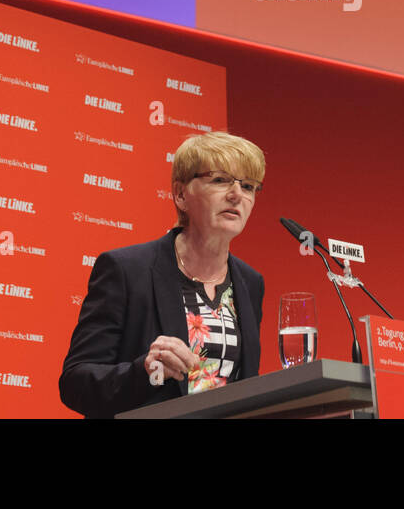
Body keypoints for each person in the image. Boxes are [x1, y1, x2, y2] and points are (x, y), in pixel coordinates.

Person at [58, 131, 266, 418]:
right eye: (219, 180)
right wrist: (147, 371)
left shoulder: (250, 282)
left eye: (248, 186)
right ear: (181, 194)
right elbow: (75, 382)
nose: (236, 195)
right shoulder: (126, 270)